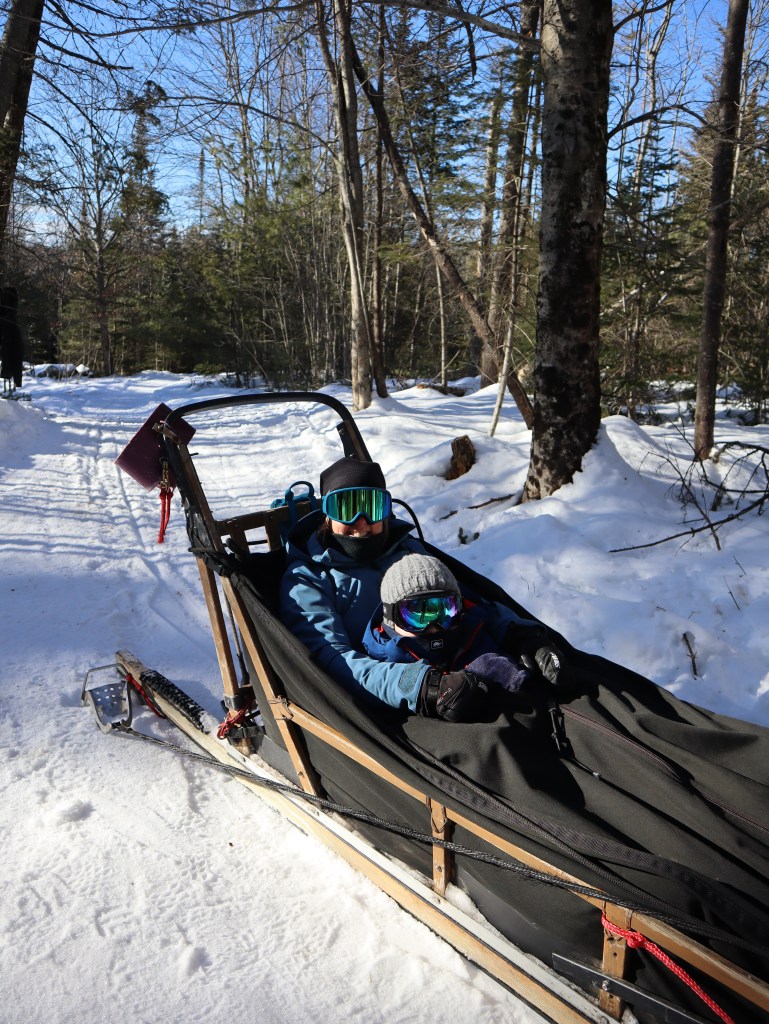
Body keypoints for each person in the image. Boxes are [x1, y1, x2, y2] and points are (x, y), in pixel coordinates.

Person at [279, 456, 567, 721]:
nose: (362, 522)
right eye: (346, 508)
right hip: (390, 702)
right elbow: (332, 658)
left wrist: (520, 635)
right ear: (327, 515)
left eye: (373, 506)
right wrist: (419, 687)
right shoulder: (308, 580)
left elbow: (467, 602)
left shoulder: (406, 550)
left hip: (458, 664)